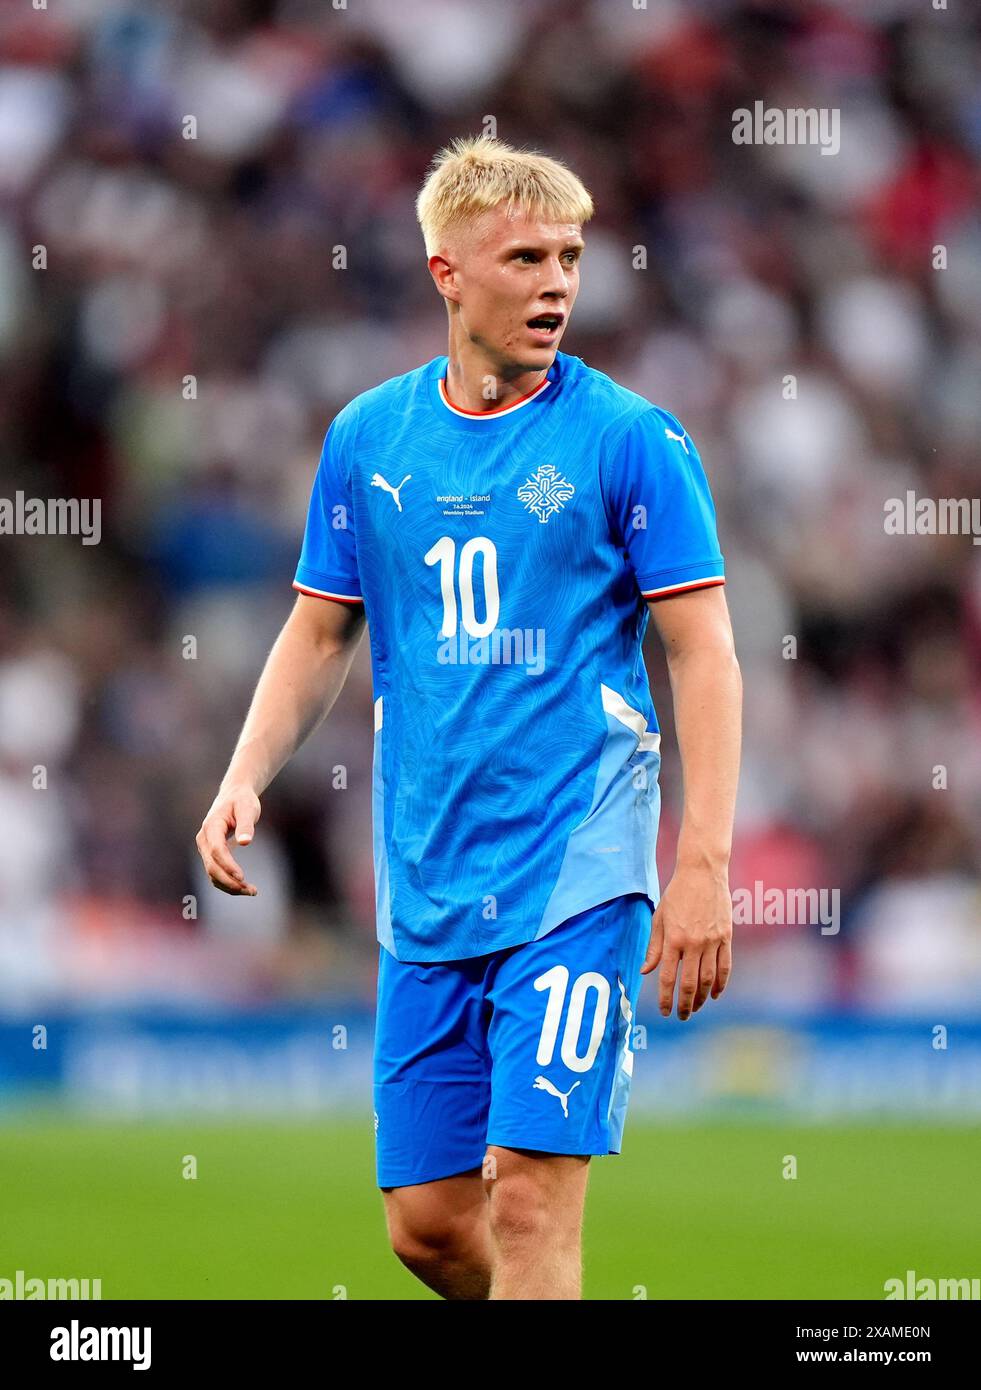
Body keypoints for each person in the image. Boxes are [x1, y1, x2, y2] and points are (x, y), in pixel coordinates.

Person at [196, 136, 742, 1301]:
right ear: (447, 271)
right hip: (428, 879)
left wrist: (702, 861)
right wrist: (245, 771)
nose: (557, 283)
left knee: (532, 1195)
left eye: (572, 258)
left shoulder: (629, 440)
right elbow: (320, 629)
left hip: (578, 871)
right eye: (526, 257)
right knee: (430, 1229)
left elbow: (704, 652)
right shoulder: (368, 440)